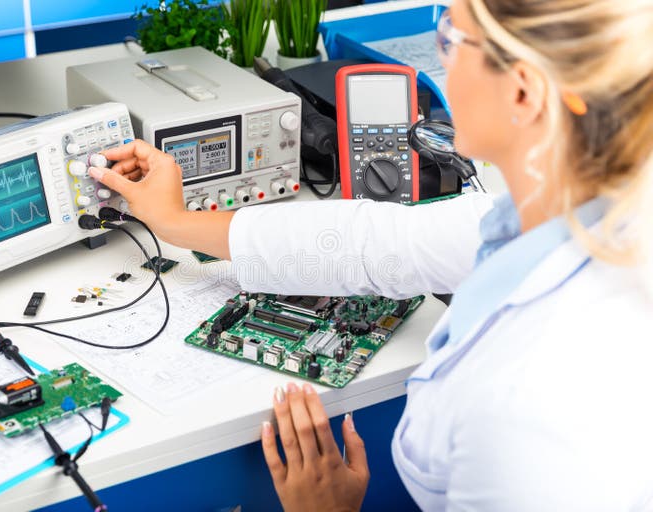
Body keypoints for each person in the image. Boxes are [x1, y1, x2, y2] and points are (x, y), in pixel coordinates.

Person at [88, 0, 653, 508]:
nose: (440, 60)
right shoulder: (569, 211)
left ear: (523, 92)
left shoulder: (530, 420)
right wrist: (177, 222)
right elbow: (375, 241)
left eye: (451, 37)